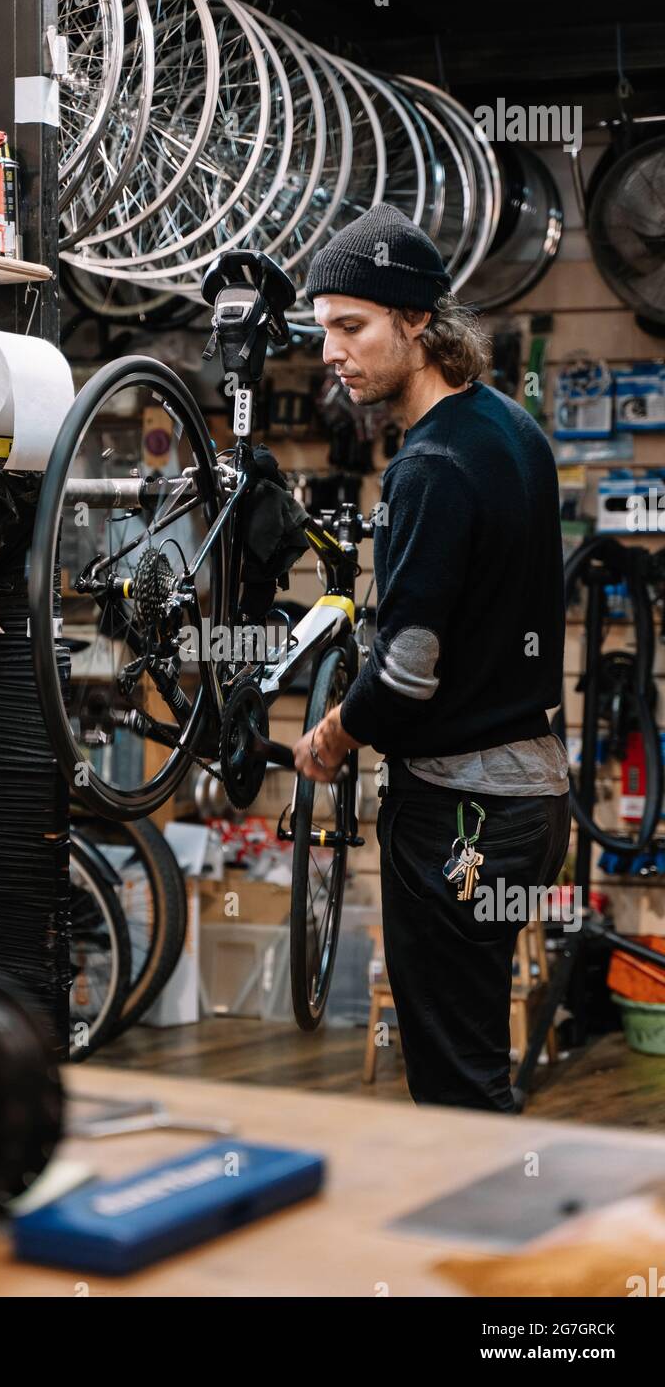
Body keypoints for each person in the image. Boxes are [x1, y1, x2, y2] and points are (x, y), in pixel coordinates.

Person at [291, 203, 570, 1113]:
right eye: (323, 327)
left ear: (417, 321)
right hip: (528, 795)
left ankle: (488, 1250)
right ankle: (497, 1242)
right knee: (474, 1064)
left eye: (351, 325)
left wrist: (331, 735)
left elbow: (409, 672)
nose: (331, 349)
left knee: (456, 1088)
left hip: (464, 813)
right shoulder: (509, 429)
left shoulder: (431, 464)